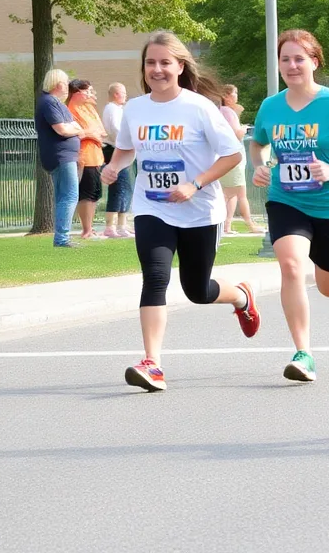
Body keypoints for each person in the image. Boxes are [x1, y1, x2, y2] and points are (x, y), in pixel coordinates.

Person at [102, 31, 260, 391]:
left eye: (164, 63)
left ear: (180, 66)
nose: (157, 70)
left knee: (197, 289)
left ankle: (240, 296)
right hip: (151, 207)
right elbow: (126, 148)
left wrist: (195, 184)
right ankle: (152, 364)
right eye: (150, 63)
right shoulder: (136, 109)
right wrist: (114, 166)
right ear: (143, 69)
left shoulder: (198, 107)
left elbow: (233, 154)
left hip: (199, 210)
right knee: (155, 277)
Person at [250, 29, 329, 382]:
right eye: (285, 59)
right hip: (287, 199)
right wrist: (260, 165)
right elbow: (259, 143)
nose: (291, 66)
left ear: (314, 62)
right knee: (291, 266)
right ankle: (303, 353)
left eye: (299, 59)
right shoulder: (270, 106)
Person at [35, 69, 84, 248]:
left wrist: (74, 127)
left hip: (66, 156)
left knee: (65, 196)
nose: (68, 85)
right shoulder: (48, 102)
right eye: (66, 82)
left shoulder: (58, 104)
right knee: (70, 195)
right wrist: (76, 129)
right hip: (61, 157)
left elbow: (74, 125)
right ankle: (62, 239)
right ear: (59, 84)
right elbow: (62, 129)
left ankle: (61, 237)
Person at [217, 85, 261, 235]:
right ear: (226, 96)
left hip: (224, 156)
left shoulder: (219, 111)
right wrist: (243, 129)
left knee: (231, 194)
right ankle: (249, 224)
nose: (236, 96)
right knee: (239, 193)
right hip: (234, 157)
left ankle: (226, 225)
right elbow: (237, 134)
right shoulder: (228, 112)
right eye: (235, 93)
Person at [67, 79, 107, 240]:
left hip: (97, 155)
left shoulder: (89, 108)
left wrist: (89, 132)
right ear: (77, 92)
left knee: (96, 193)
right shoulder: (70, 110)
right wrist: (89, 133)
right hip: (84, 156)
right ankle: (86, 229)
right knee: (86, 193)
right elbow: (77, 133)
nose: (91, 94)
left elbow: (101, 132)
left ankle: (90, 228)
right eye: (88, 91)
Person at [101, 83, 132, 238]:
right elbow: (115, 129)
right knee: (118, 187)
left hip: (120, 149)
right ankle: (110, 226)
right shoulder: (111, 109)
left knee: (125, 188)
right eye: (123, 93)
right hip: (114, 149)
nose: (125, 96)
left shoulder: (119, 109)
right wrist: (126, 141)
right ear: (115, 94)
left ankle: (122, 224)